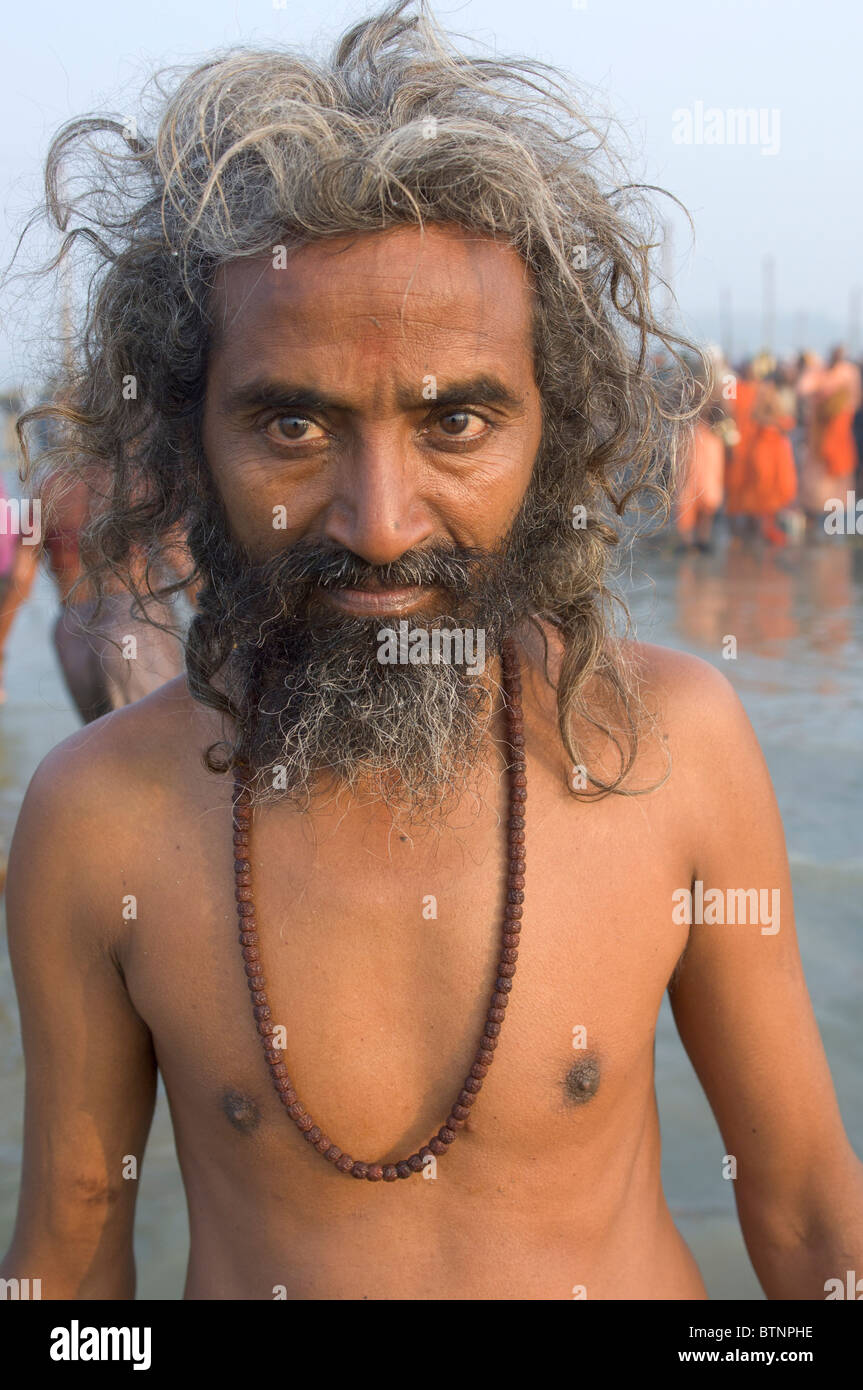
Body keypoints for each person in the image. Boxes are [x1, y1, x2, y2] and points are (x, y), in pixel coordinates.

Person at [2, 1, 861, 1301]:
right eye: (292, 426)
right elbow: (67, 1275)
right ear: (189, 438)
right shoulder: (96, 821)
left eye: (456, 419)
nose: (380, 522)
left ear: (551, 431)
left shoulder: (673, 750)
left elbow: (806, 1218)